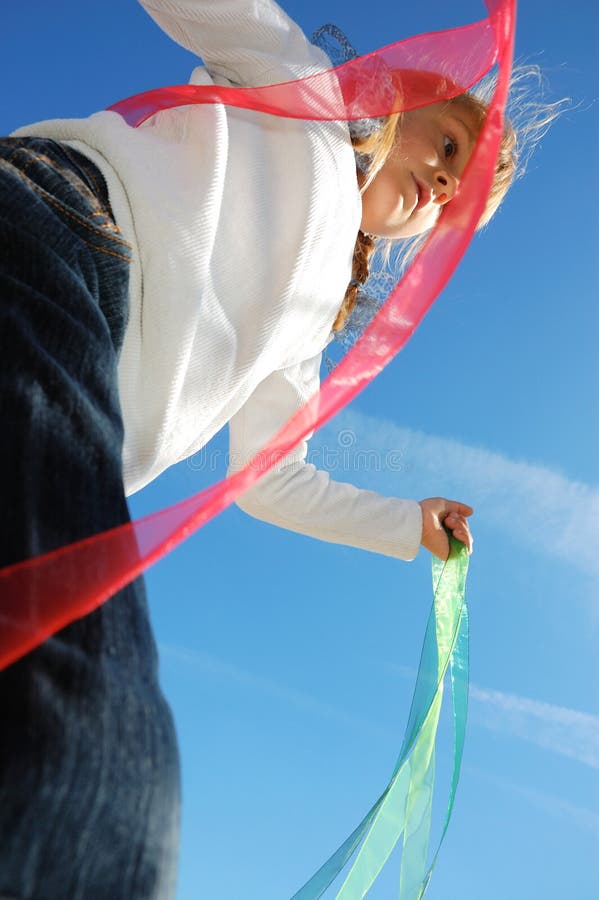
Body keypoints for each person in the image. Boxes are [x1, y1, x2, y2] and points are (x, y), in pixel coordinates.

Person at [0, 1, 516, 897]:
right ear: (400, 95)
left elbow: (273, 482)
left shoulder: (310, 323)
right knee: (93, 745)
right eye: (446, 147)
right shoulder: (296, 82)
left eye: (455, 201)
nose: (441, 185)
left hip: (80, 429)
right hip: (57, 234)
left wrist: (410, 524)